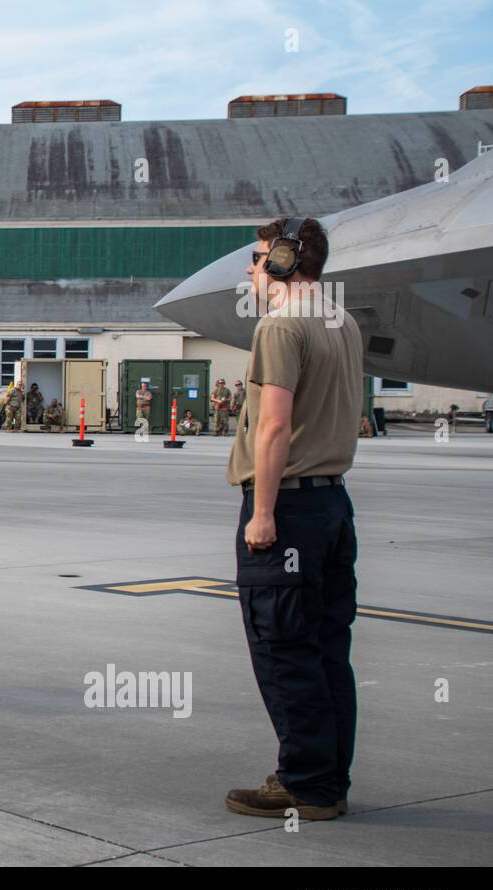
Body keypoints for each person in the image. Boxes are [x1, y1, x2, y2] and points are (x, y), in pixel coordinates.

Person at [224, 217, 362, 821]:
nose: (251, 272)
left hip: (290, 507)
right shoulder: (343, 321)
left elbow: (275, 425)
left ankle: (304, 782)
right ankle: (329, 778)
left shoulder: (280, 327)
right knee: (330, 648)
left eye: (256, 259)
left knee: (283, 646)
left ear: (280, 263)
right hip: (333, 503)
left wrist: (262, 513)